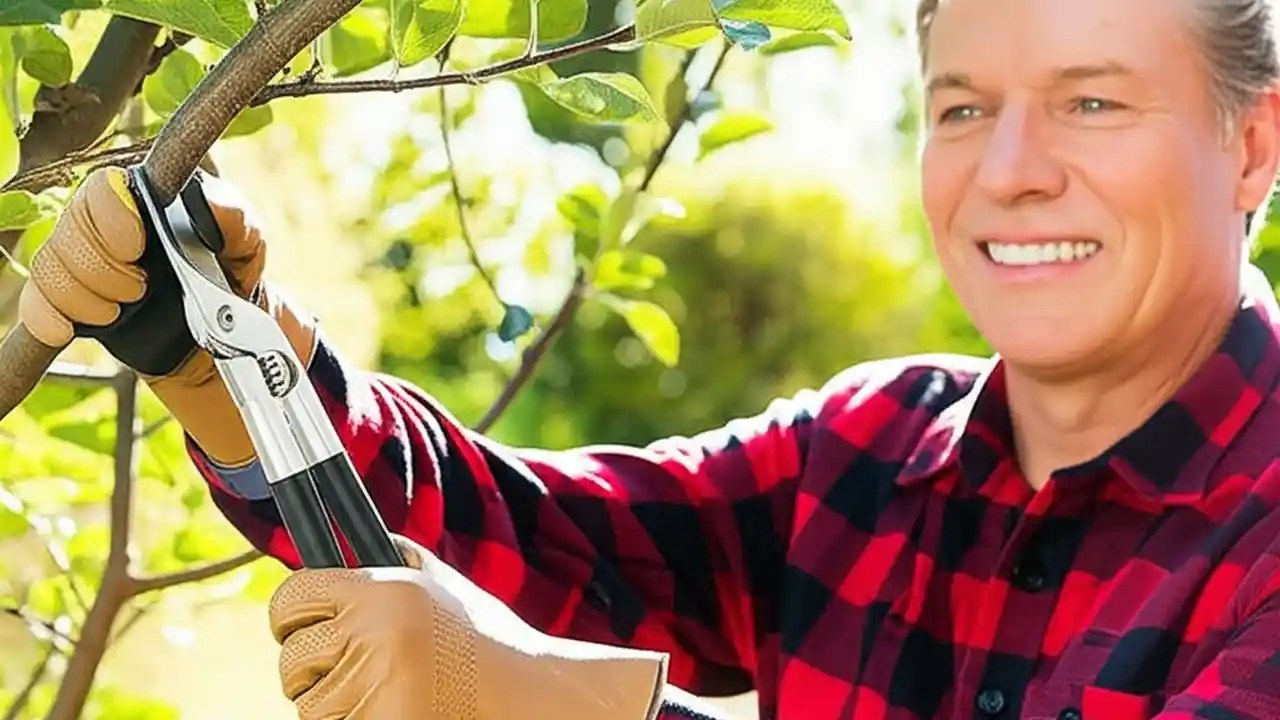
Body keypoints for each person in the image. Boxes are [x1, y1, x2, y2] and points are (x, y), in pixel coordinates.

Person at [16, 0, 1280, 716]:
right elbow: (543, 544)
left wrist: (559, 706)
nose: (1006, 172)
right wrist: (229, 362)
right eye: (962, 108)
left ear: (1251, 147)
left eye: (1090, 101)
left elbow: (510, 664)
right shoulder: (871, 452)